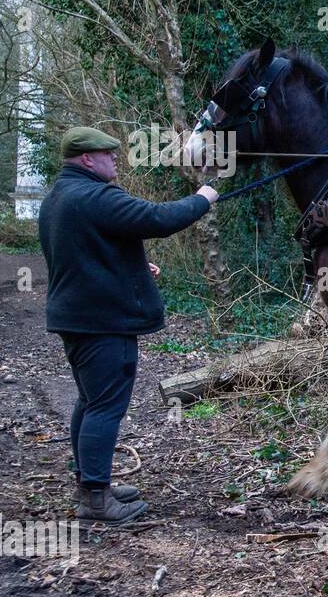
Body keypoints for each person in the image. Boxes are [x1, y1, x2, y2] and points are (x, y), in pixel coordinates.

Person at [38, 126, 218, 523]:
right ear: (88, 159)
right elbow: (158, 218)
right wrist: (204, 196)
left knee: (90, 401)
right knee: (104, 406)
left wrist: (132, 265)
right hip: (103, 322)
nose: (116, 160)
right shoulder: (95, 196)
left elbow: (82, 254)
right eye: (108, 154)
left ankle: (91, 483)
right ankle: (97, 501)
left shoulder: (59, 197)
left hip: (78, 318)